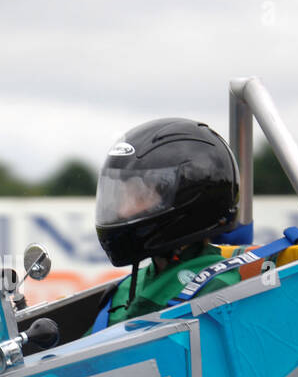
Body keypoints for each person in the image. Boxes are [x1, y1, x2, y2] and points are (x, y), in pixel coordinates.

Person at [92, 117, 243, 328]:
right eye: (121, 196)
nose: (123, 210)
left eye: (138, 196)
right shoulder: (127, 288)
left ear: (188, 198)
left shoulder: (217, 291)